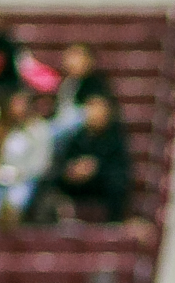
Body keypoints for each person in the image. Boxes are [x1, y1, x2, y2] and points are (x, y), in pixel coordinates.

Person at [49, 94, 131, 223]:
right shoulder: (76, 138)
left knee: (116, 182)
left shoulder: (115, 139)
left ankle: (112, 223)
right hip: (76, 187)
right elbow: (62, 165)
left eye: (99, 109)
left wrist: (95, 169)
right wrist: (72, 170)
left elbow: (119, 168)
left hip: (101, 187)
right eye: (91, 108)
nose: (94, 114)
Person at [0, 91, 51, 226]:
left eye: (22, 104)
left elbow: (41, 164)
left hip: (23, 178)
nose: (18, 109)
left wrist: (20, 172)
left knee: (19, 193)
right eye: (15, 104)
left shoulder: (38, 129)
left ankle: (11, 214)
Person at [50, 43, 112, 144]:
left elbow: (97, 115)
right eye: (69, 56)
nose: (71, 61)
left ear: (89, 61)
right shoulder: (67, 83)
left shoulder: (95, 84)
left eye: (76, 56)